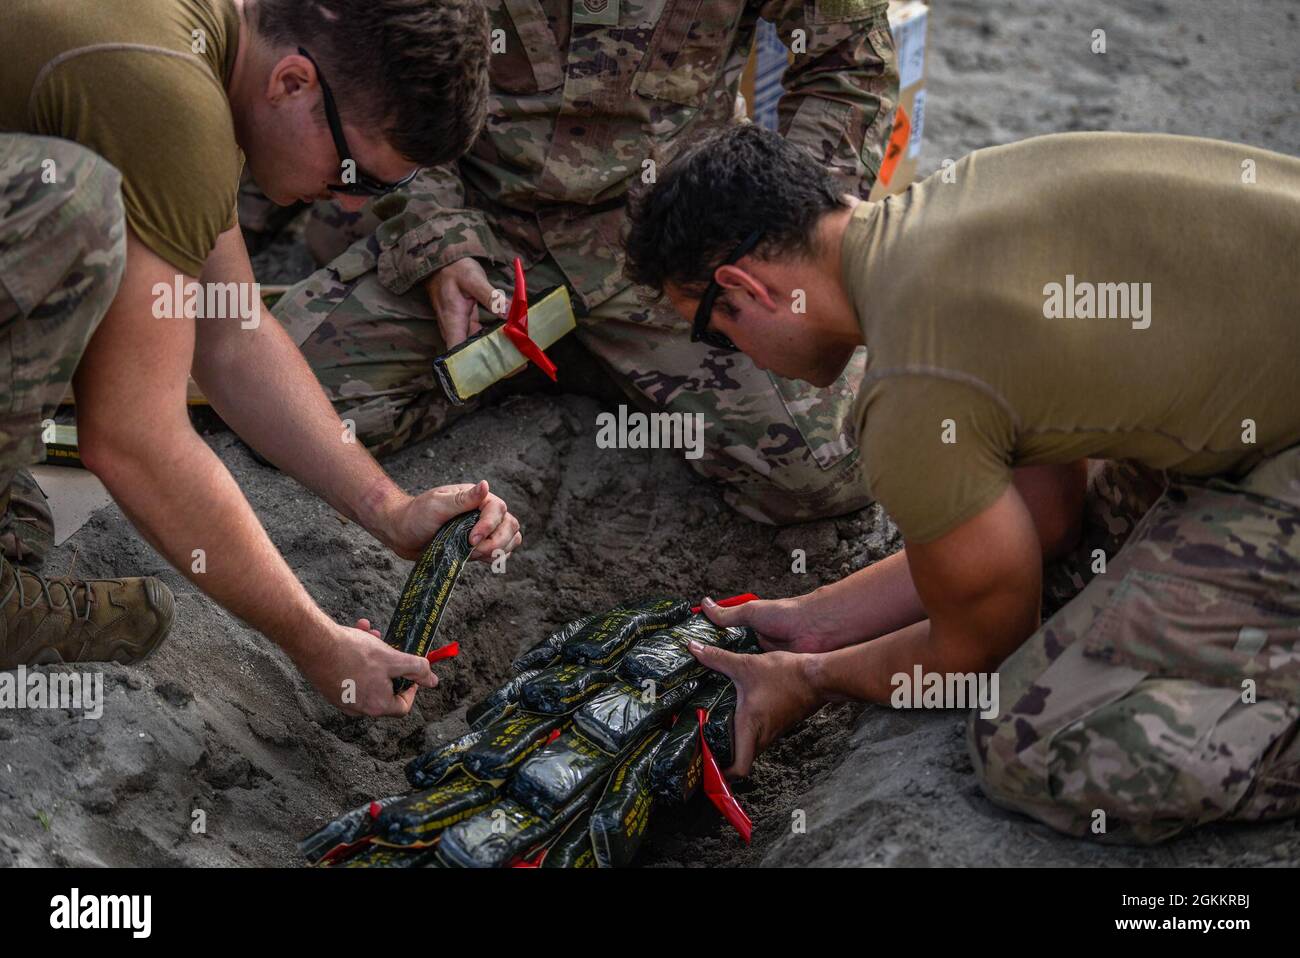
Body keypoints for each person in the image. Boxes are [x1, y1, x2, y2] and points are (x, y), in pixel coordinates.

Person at [623, 123, 1300, 843]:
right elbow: (1050, 522)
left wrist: (811, 677)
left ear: (743, 288)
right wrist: (814, 619)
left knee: (1030, 741)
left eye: (714, 333)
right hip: (1262, 405)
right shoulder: (959, 200)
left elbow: (979, 651)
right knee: (1082, 562)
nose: (737, 357)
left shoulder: (915, 386)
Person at [0, 0, 520, 718]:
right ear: (293, 83)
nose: (350, 203)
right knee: (71, 213)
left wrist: (389, 509)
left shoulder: (205, 43)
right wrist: (318, 644)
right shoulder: (171, 100)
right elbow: (134, 439)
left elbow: (232, 334)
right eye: (359, 176)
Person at [267, 0, 900, 525]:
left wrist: (772, 240)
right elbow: (380, 74)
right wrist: (438, 239)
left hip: (682, 251)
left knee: (831, 468)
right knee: (286, 406)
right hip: (488, 229)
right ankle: (544, 362)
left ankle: (568, 364)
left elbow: (849, 64)